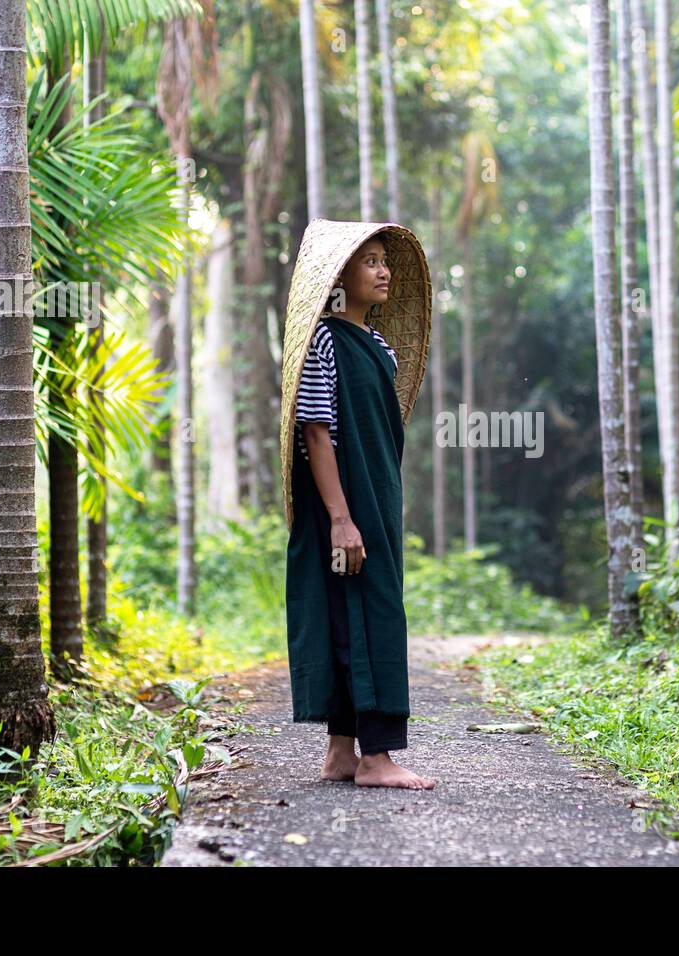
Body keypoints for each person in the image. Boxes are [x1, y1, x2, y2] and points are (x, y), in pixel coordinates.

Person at [284, 229, 436, 791]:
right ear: (339, 279)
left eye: (384, 263)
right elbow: (318, 435)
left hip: (375, 499)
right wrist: (341, 519)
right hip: (341, 503)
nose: (383, 271)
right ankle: (377, 757)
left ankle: (342, 753)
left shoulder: (382, 350)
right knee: (366, 613)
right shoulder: (323, 342)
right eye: (368, 263)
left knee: (358, 613)